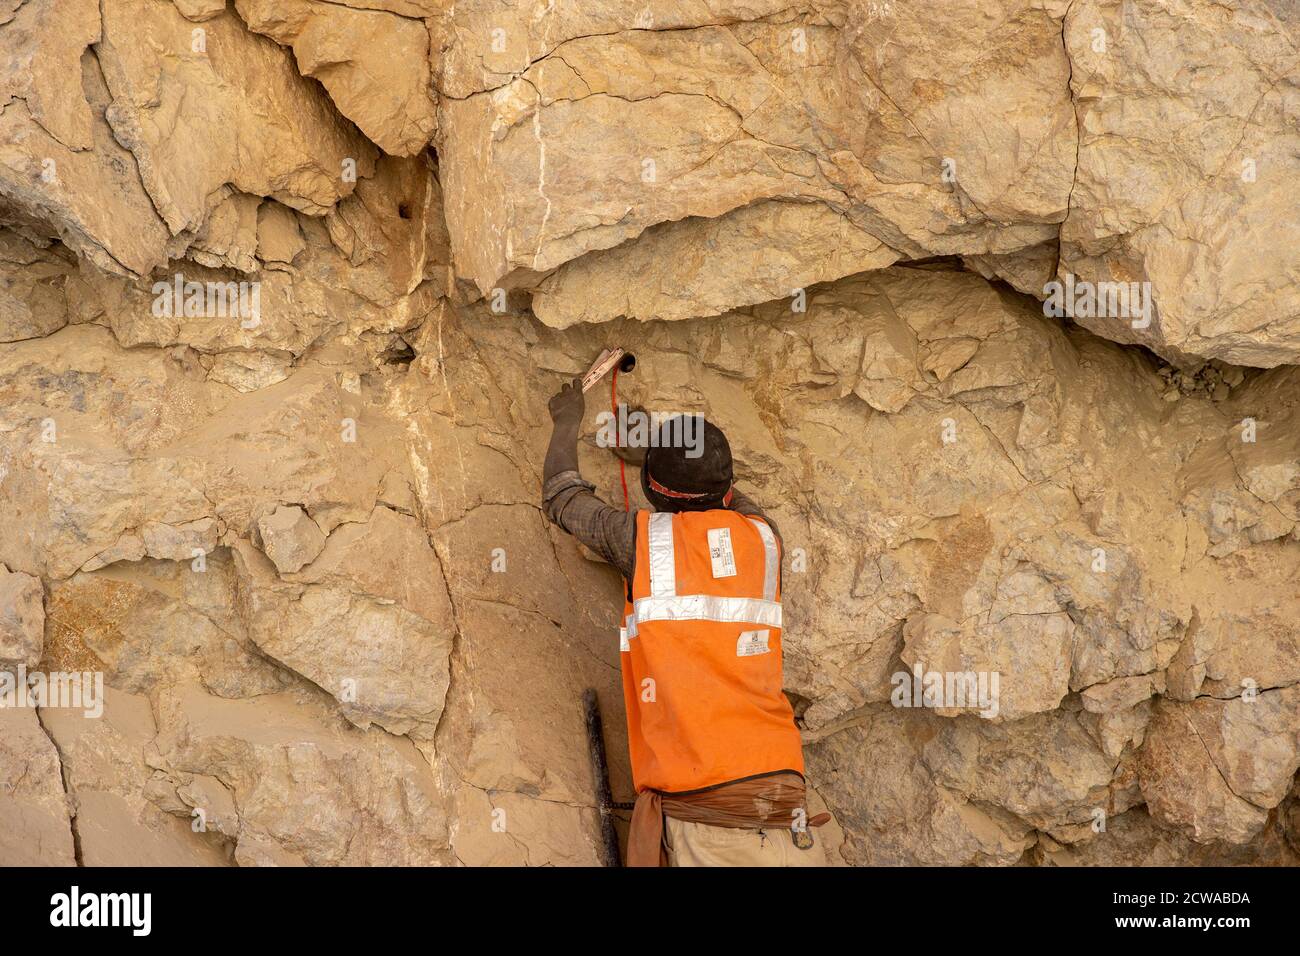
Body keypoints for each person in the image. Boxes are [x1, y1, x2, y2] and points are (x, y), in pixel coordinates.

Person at [542, 375, 828, 866]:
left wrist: (567, 420)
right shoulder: (765, 539)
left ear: (653, 493)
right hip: (783, 796)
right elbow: (728, 499)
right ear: (728, 485)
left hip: (711, 813)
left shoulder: (641, 541)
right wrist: (663, 466)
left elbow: (562, 497)